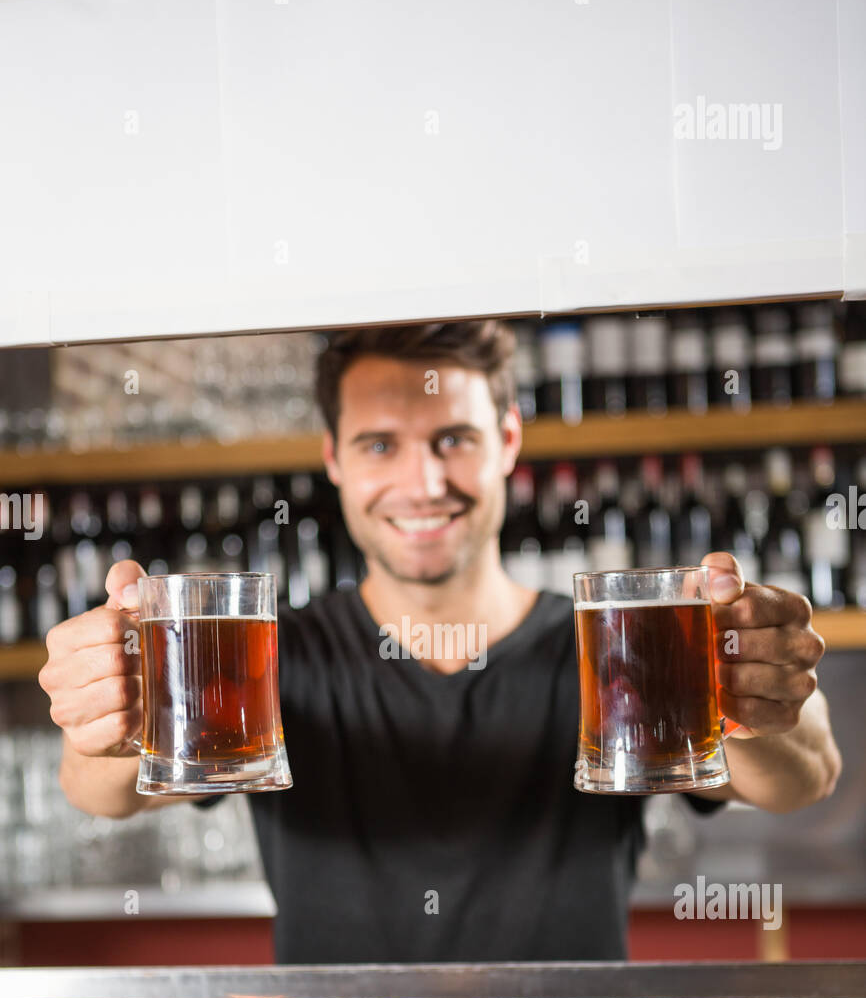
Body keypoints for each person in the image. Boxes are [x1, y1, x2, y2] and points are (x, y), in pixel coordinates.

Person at [38, 320, 842, 962]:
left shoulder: (609, 647)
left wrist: (758, 691)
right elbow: (97, 792)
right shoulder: (277, 653)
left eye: (453, 438)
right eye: (380, 444)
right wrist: (101, 715)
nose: (423, 483)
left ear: (509, 443)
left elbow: (805, 776)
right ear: (334, 460)